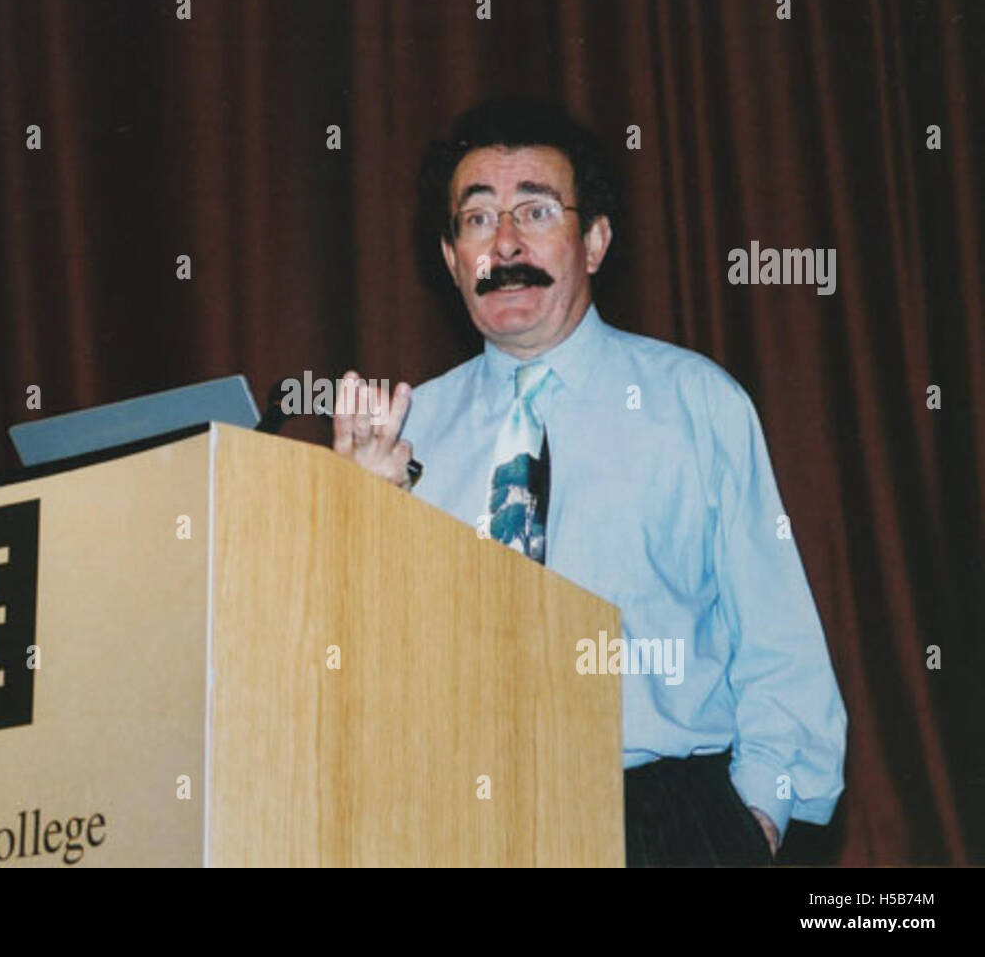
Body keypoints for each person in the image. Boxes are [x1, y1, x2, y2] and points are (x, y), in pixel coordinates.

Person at [331, 98, 847, 867]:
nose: (504, 244)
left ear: (596, 239)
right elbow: (356, 679)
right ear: (449, 258)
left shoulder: (695, 404)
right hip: (451, 822)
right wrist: (354, 520)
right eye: (476, 220)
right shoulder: (405, 432)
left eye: (536, 211)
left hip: (660, 816)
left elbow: (779, 642)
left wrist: (756, 818)